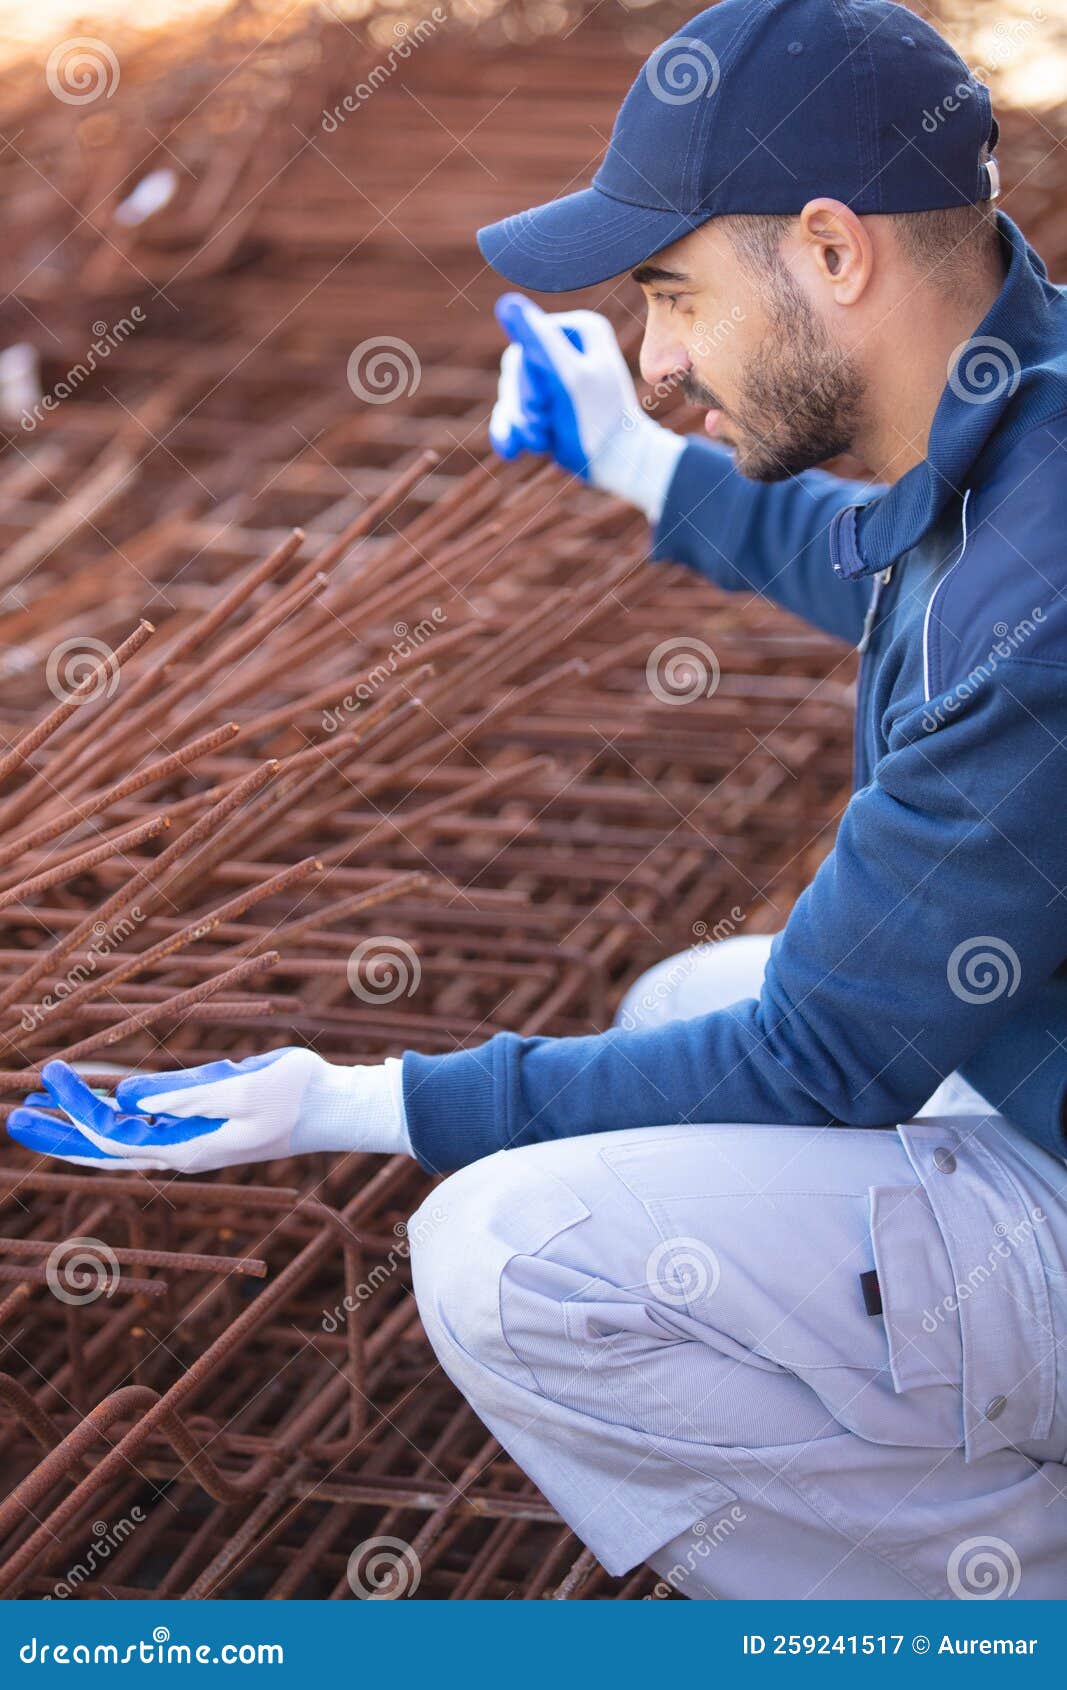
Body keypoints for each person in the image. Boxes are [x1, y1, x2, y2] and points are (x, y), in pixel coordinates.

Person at [11, 0, 1067, 1599]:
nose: (659, 362)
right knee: (675, 1001)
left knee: (507, 1256)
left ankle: (994, 1604)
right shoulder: (1026, 411)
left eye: (674, 295)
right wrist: (650, 474)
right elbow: (891, 566)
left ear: (836, 252)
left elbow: (820, 1059)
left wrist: (355, 1102)